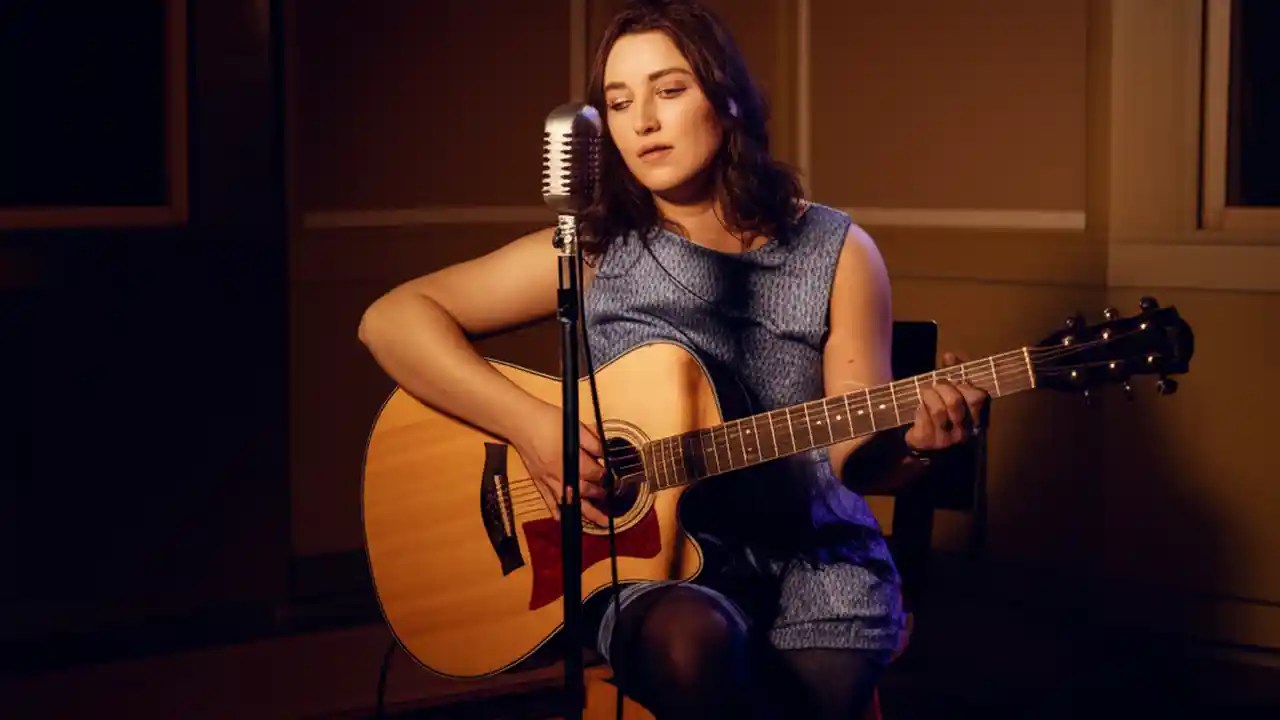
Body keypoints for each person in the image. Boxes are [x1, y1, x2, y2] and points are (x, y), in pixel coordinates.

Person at [358, 1, 989, 717]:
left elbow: (853, 454)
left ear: (727, 97)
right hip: (649, 569)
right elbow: (391, 321)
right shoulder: (594, 250)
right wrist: (532, 425)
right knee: (692, 648)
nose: (643, 122)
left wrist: (915, 446)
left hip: (814, 568)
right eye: (619, 102)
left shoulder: (835, 251)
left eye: (669, 89)